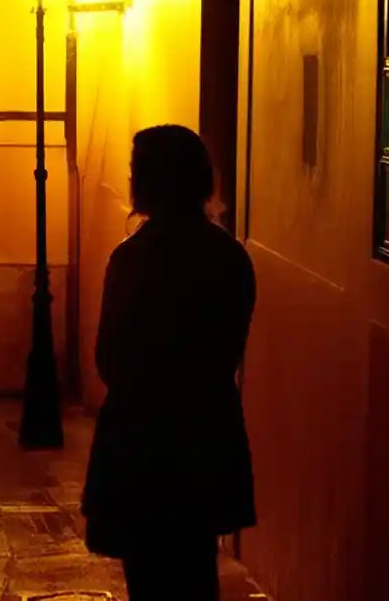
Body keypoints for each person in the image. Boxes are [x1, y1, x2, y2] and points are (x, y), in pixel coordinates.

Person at [81, 124, 257, 600]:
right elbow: (229, 348)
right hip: (204, 438)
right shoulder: (230, 258)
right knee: (197, 570)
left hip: (144, 447)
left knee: (149, 577)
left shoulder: (133, 259)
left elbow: (110, 358)